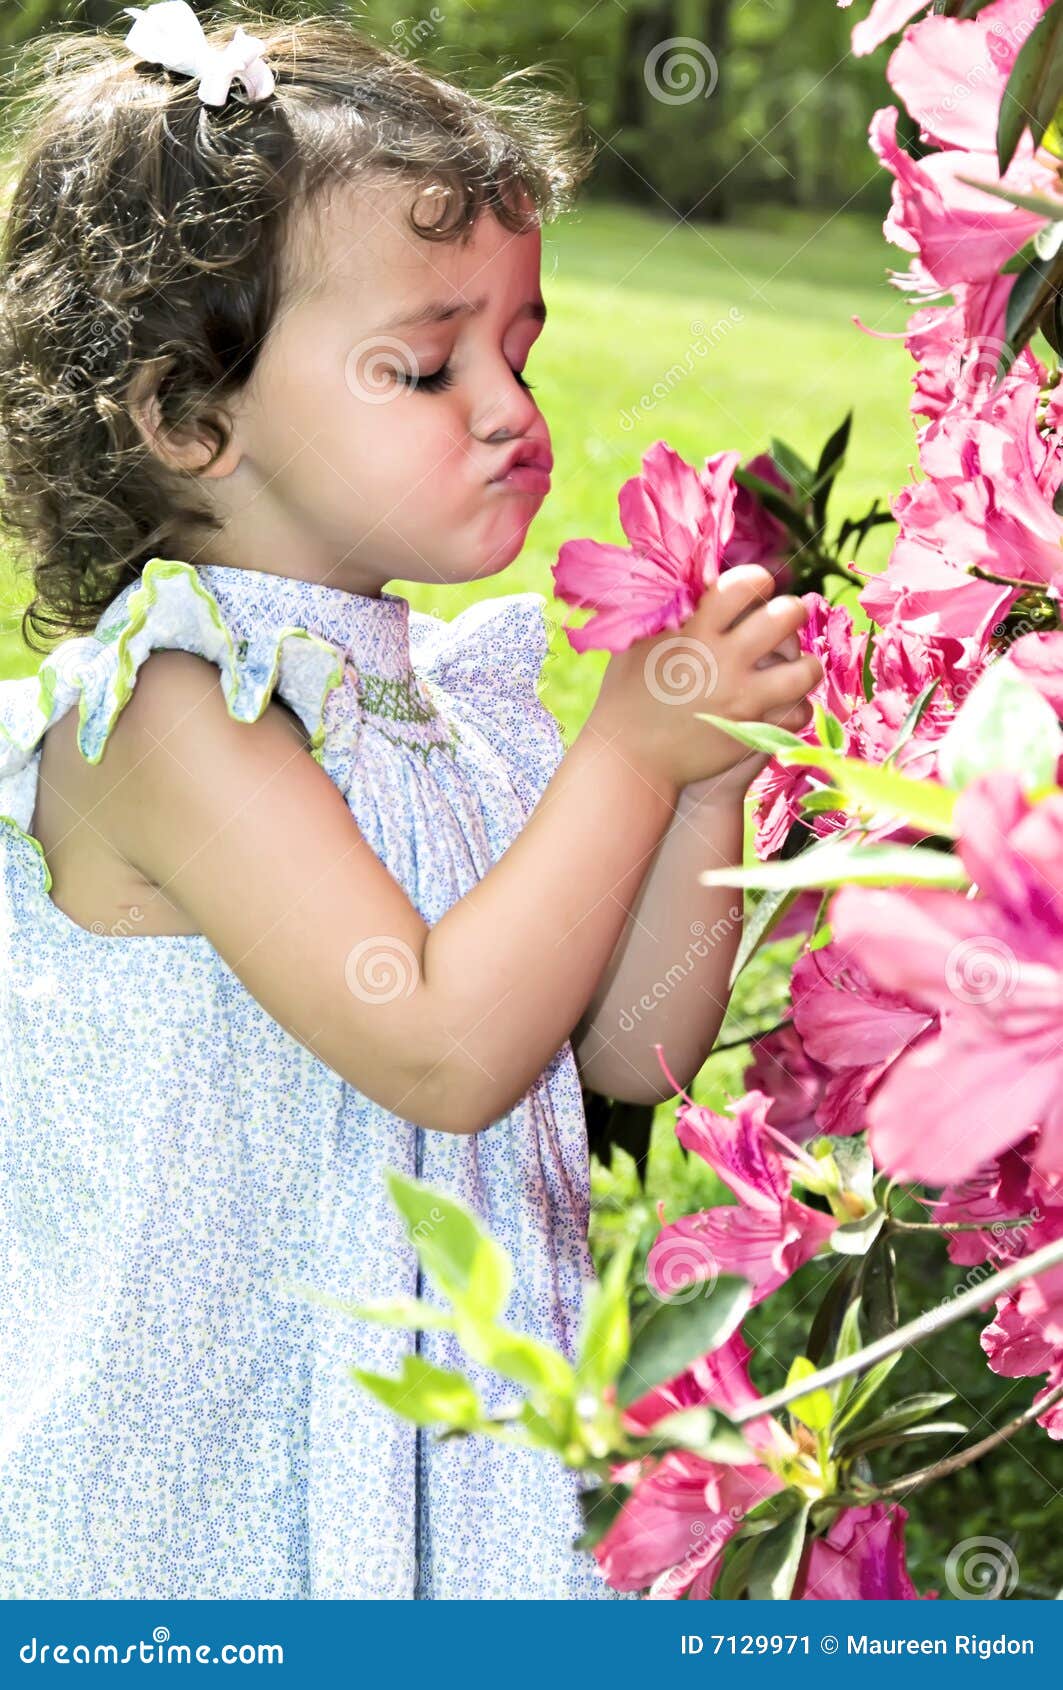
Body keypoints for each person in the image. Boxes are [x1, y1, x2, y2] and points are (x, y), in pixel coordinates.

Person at [0, 5, 822, 1598]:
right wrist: (623, 760)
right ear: (192, 417)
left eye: (519, 349)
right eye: (430, 365)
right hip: (210, 1505)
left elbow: (622, 1051)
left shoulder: (447, 702)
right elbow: (446, 1048)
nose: (510, 407)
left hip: (429, 1466)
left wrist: (701, 794)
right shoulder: (174, 714)